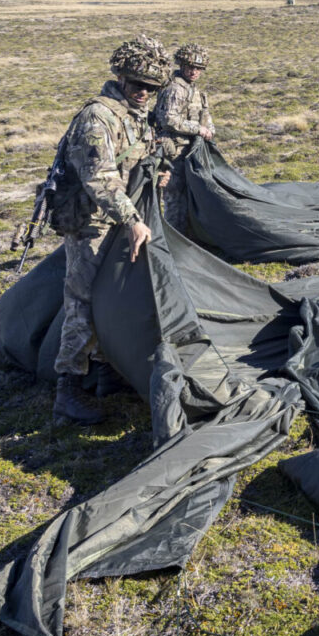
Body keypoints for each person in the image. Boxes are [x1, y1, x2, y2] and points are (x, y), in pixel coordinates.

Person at [51, 35, 171, 424]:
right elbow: (98, 176)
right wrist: (133, 219)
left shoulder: (135, 116)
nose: (144, 93)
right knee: (82, 302)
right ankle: (67, 389)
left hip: (117, 219)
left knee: (111, 297)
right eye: (137, 84)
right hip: (92, 223)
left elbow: (137, 158)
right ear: (120, 76)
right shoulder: (97, 117)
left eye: (152, 89)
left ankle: (104, 375)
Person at [154, 43, 216, 236]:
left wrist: (209, 129)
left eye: (198, 68)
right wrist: (198, 129)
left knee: (189, 195)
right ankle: (175, 239)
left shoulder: (193, 90)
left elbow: (203, 115)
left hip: (188, 151)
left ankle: (187, 237)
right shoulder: (175, 89)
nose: (194, 71)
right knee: (175, 197)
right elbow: (168, 119)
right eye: (190, 67)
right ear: (181, 65)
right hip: (175, 151)